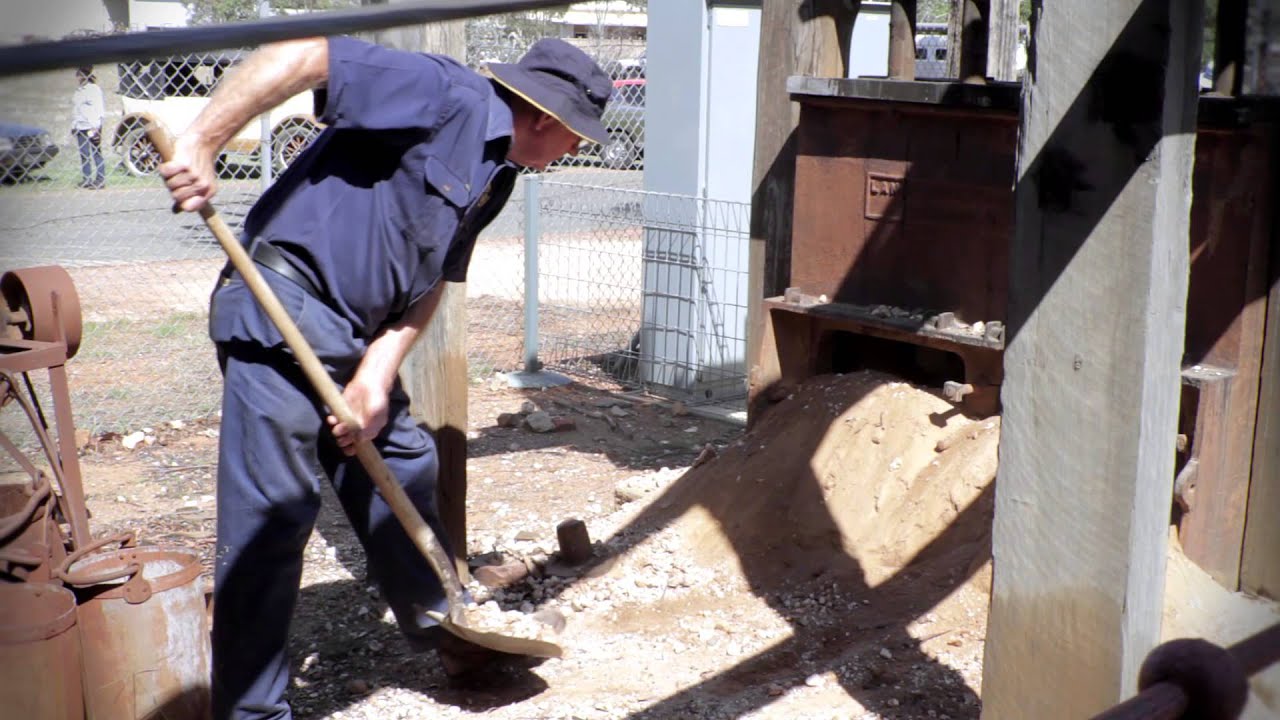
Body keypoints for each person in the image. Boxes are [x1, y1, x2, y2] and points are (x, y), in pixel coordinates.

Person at [158, 35, 611, 719]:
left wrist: (376, 376)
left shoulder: (498, 175)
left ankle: (453, 632)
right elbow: (303, 55)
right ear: (544, 116)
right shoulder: (444, 93)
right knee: (273, 520)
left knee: (403, 466)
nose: (575, 151)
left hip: (354, 340)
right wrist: (202, 140)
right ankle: (251, 711)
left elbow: (432, 287)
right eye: (575, 136)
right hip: (281, 310)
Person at [72, 65, 106, 189]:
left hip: (92, 126)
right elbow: (77, 109)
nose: (78, 77)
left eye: (80, 74)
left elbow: (99, 109)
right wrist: (74, 125)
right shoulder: (79, 90)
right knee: (84, 154)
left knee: (96, 153)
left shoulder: (93, 89)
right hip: (80, 126)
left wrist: (96, 127)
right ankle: (87, 179)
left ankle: (100, 179)